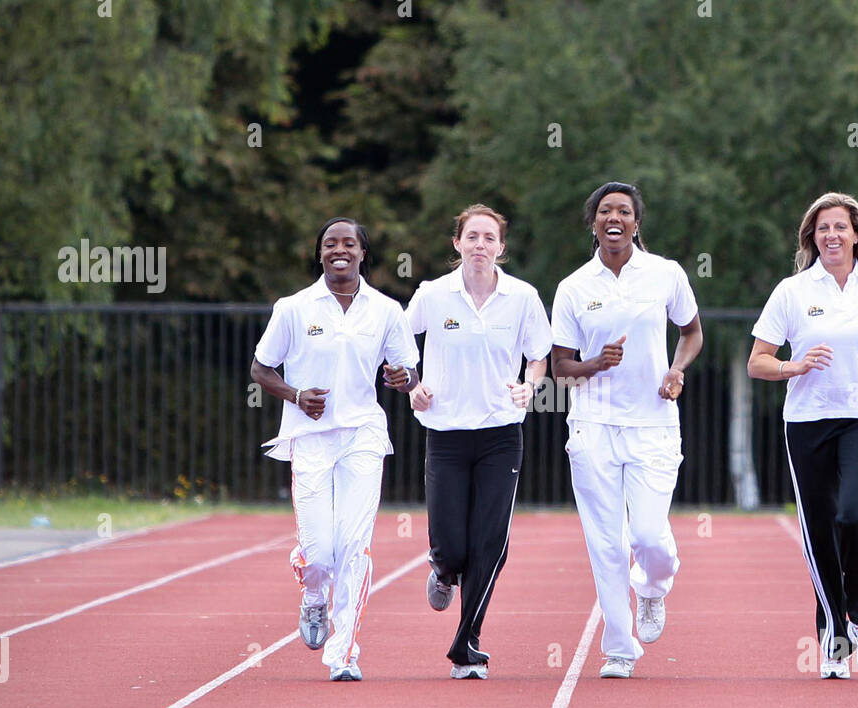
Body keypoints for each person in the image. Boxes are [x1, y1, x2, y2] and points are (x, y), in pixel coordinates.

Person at [747, 192, 858, 679]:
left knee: (855, 514)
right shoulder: (792, 291)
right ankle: (833, 637)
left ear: (857, 233)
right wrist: (792, 366)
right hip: (807, 421)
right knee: (818, 530)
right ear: (812, 237)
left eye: (840, 227)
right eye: (823, 228)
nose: (832, 235)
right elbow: (757, 362)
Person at [250, 217, 420, 682]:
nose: (339, 250)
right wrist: (296, 395)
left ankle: (344, 652)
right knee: (320, 552)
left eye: (349, 243)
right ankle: (313, 596)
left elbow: (409, 376)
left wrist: (403, 380)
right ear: (320, 252)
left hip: (362, 436)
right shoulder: (293, 307)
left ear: (363, 253)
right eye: (330, 243)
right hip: (308, 439)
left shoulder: (386, 311)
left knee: (354, 546)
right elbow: (261, 369)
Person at [549, 181, 703, 679]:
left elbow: (692, 332)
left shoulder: (665, 274)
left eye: (624, 211)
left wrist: (676, 371)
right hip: (593, 426)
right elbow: (560, 369)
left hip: (653, 424)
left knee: (649, 537)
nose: (614, 218)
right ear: (593, 222)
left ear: (637, 222)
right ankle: (618, 646)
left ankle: (653, 589)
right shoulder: (574, 286)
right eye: (604, 211)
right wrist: (595, 363)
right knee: (606, 543)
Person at [406, 204, 552, 680]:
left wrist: (529, 386)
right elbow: (399, 348)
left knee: (491, 540)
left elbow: (539, 357)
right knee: (452, 543)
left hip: (500, 435)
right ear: (457, 244)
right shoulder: (432, 295)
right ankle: (443, 569)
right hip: (445, 434)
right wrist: (412, 385)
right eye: (472, 237)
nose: (480, 246)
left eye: (489, 238)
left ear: (501, 247)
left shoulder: (523, 297)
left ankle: (467, 645)